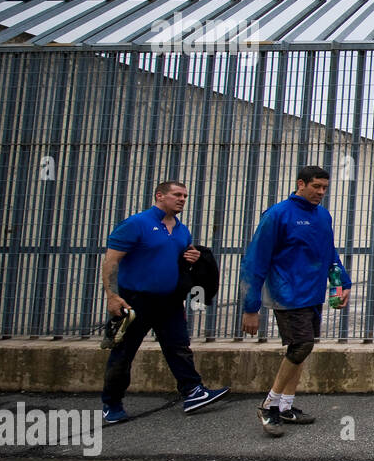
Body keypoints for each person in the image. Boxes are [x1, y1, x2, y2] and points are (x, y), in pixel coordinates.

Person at [99, 180, 230, 423]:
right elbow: (111, 261)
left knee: (179, 348)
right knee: (124, 353)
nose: (182, 199)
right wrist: (112, 295)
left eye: (185, 196)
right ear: (160, 195)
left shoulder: (182, 230)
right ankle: (112, 404)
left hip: (169, 301)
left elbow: (177, 262)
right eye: (177, 195)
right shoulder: (136, 224)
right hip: (135, 302)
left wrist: (191, 258)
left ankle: (193, 391)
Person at [240, 165, 351, 437]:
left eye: (325, 188)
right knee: (302, 345)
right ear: (301, 184)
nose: (321, 193)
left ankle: (286, 406)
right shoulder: (277, 215)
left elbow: (329, 253)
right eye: (316, 187)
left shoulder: (323, 216)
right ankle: (269, 405)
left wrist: (342, 283)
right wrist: (250, 307)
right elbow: (255, 261)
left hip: (312, 294)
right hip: (286, 294)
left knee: (301, 348)